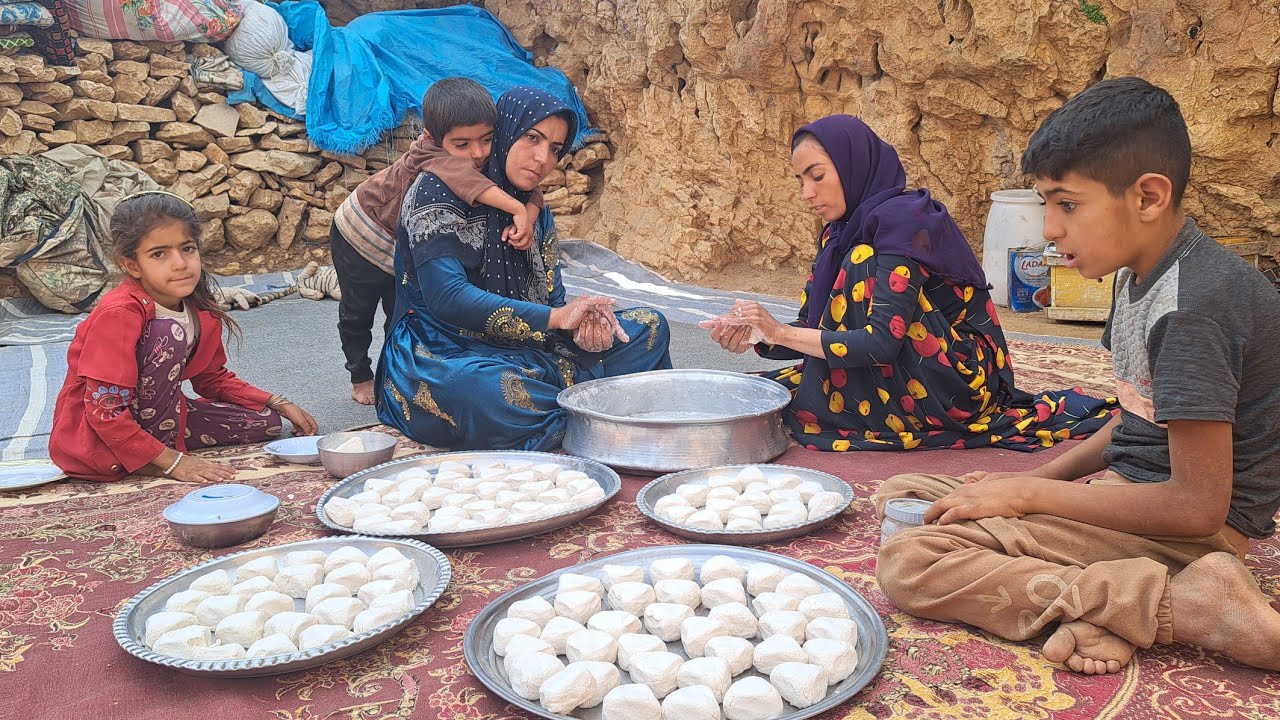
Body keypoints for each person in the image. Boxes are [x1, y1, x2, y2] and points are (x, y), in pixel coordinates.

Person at [875, 77, 1280, 674]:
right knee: (909, 495)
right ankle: (1113, 606)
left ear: (1147, 197)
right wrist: (1030, 478)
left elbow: (1198, 508)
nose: (1049, 229)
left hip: (1196, 534)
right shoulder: (1137, 275)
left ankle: (1188, 604)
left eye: (1067, 204)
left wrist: (1029, 495)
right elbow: (1133, 419)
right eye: (1045, 206)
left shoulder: (1191, 310)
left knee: (912, 561)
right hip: (1134, 497)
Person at [703, 114, 1115, 452]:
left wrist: (783, 333)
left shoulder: (903, 225)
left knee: (860, 271)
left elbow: (882, 342)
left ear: (851, 166)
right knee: (748, 398)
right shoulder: (840, 233)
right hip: (896, 368)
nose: (807, 193)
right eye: (800, 181)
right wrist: (761, 335)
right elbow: (815, 334)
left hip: (957, 381)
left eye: (817, 176)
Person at [376, 86, 672, 451]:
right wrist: (557, 319)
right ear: (506, 132)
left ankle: (578, 417)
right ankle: (599, 413)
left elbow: (552, 295)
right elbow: (447, 298)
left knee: (649, 326)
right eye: (532, 138)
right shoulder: (436, 191)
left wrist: (582, 327)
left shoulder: (534, 208)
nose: (542, 159)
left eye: (555, 148)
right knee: (486, 391)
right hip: (447, 347)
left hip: (532, 345)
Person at [50, 192, 318, 483]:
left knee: (264, 423)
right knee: (169, 334)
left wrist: (278, 402)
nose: (180, 263)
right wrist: (174, 463)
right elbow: (105, 411)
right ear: (132, 265)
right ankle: (149, 457)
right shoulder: (119, 313)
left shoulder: (200, 307)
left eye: (187, 249)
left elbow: (210, 378)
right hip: (98, 436)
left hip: (160, 415)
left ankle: (155, 444)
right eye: (159, 254)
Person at [331, 77, 545, 406]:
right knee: (358, 311)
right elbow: (470, 182)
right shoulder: (430, 156)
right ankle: (359, 374)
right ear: (432, 137)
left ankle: (392, 374)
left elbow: (529, 184)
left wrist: (528, 214)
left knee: (401, 310)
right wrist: (519, 209)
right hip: (361, 232)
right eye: (462, 144)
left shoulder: (475, 150)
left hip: (405, 245)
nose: (477, 153)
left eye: (487, 140)